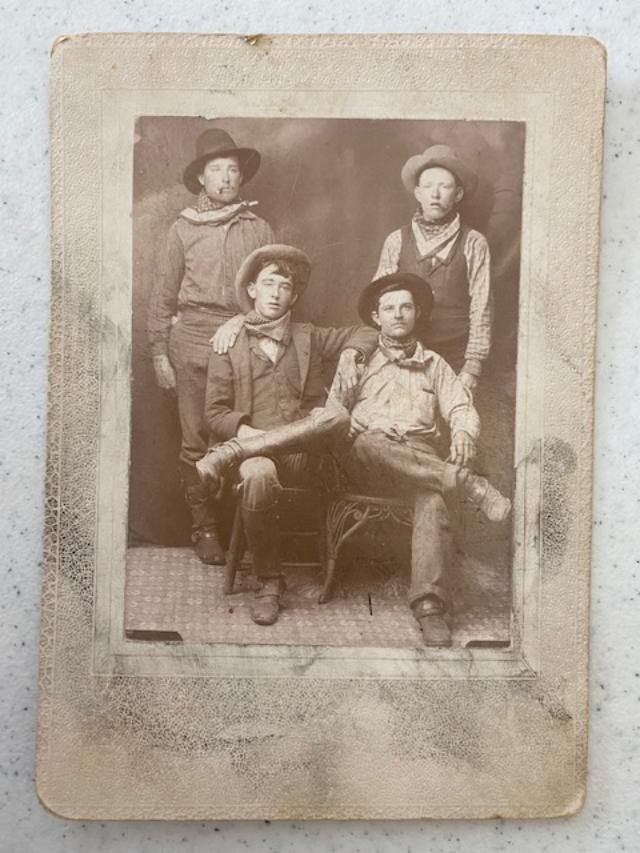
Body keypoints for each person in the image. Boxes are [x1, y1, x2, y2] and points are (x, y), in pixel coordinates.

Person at [198, 271, 510, 646]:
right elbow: (334, 417)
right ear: (376, 317)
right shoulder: (361, 362)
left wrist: (462, 431)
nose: (398, 315)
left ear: (417, 314)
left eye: (406, 307)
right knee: (364, 440)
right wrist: (362, 409)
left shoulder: (435, 365)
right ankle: (468, 484)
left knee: (433, 498)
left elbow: (460, 406)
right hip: (363, 460)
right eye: (389, 308)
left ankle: (430, 607)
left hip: (421, 464)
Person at [196, 244, 378, 626]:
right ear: (252, 290)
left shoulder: (307, 336)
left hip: (304, 453)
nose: (276, 294)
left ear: (294, 296)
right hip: (253, 454)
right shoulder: (228, 343)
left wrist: (350, 355)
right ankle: (269, 584)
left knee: (335, 417)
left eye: (284, 287)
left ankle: (232, 452)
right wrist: (246, 433)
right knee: (259, 476)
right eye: (268, 284)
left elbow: (365, 331)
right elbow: (214, 412)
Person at [147, 127, 275, 565]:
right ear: (201, 178)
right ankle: (204, 528)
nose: (225, 178)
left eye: (233, 170)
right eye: (216, 169)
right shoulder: (183, 229)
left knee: (245, 433)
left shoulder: (259, 228)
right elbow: (164, 296)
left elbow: (273, 290)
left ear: (242, 178)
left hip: (244, 336)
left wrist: (244, 322)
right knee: (196, 438)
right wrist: (160, 354)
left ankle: (253, 533)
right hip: (193, 340)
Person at [374, 144, 492, 394]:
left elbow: (482, 306)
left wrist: (472, 367)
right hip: (405, 354)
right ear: (417, 193)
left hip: (456, 357)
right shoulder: (397, 240)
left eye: (445, 186)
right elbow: (379, 302)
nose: (435, 194)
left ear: (458, 194)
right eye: (428, 186)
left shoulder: (473, 242)